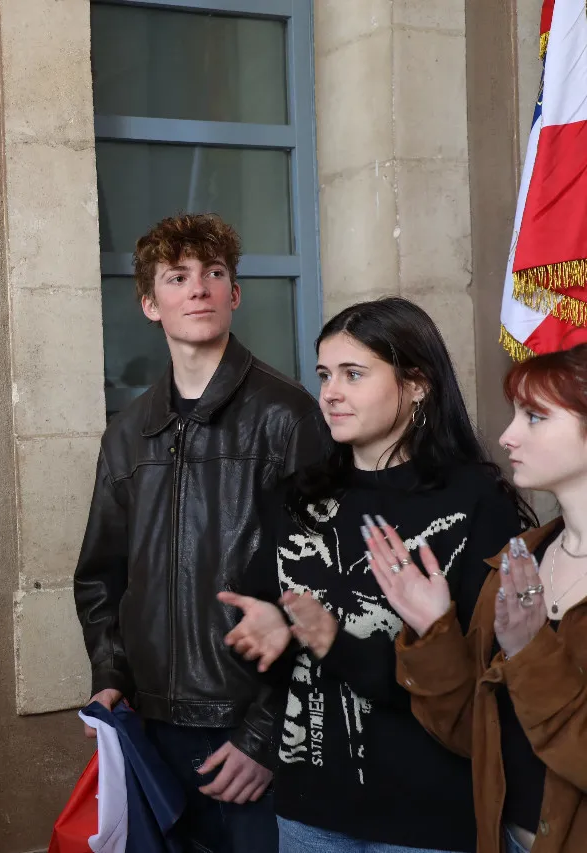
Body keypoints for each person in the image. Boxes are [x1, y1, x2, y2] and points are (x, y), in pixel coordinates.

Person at [218, 297, 531, 853]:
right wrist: (266, 633)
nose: (330, 393)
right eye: (324, 375)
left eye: (353, 374)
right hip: (310, 808)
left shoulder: (477, 503)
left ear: (416, 384)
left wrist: (333, 642)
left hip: (431, 816)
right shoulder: (296, 500)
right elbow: (279, 661)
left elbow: (482, 684)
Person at [74, 213, 326, 852]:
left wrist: (268, 734)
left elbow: (325, 587)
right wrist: (112, 676)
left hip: (250, 729)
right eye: (178, 277)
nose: (199, 289)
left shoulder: (286, 414)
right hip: (152, 729)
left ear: (234, 294)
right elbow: (100, 576)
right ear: (150, 303)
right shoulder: (130, 432)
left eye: (215, 274)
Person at [375, 344, 587, 853]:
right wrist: (433, 630)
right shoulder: (519, 562)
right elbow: (479, 738)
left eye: (535, 417)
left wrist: (531, 650)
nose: (507, 436)